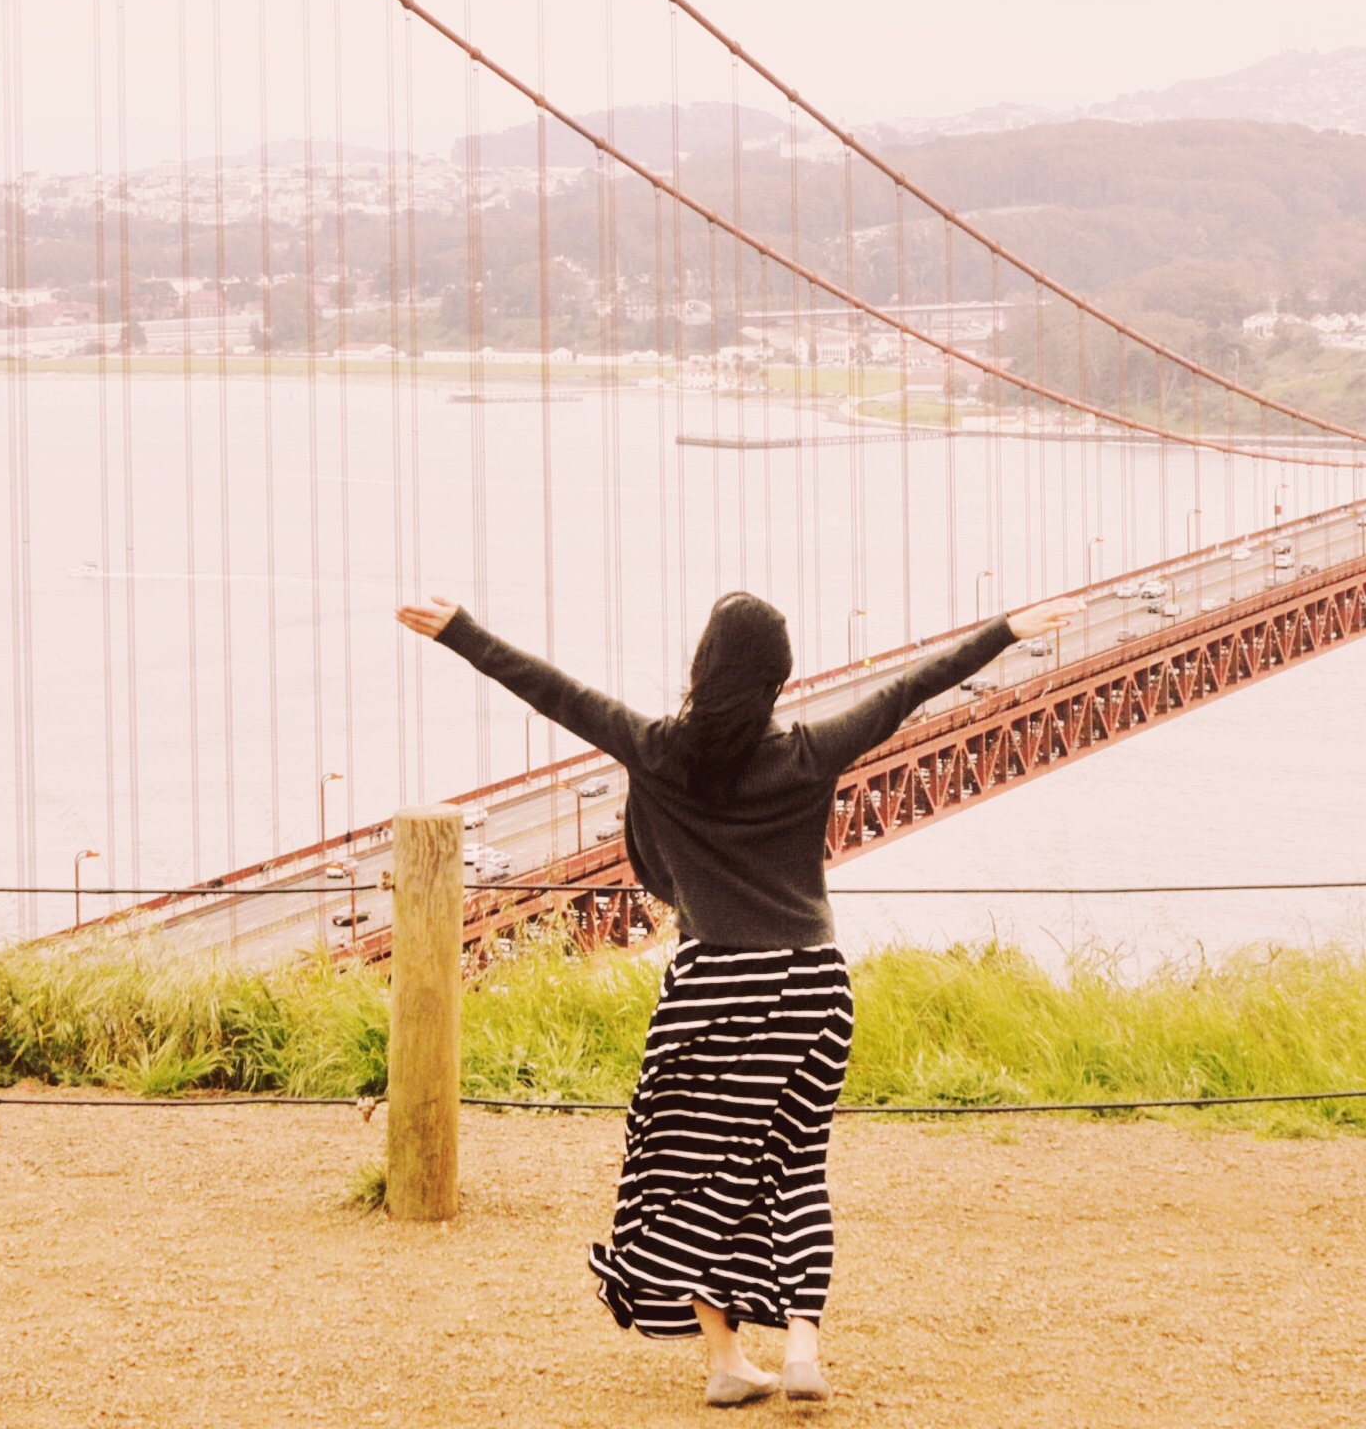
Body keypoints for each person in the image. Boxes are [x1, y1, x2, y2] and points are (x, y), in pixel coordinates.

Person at [396, 585, 1087, 1409]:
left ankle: (726, 1358)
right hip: (808, 986)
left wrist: (461, 632)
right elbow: (910, 689)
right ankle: (800, 1343)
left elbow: (550, 690)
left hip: (710, 987)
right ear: (777, 680)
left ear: (704, 668)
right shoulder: (808, 753)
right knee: (794, 1165)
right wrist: (1006, 630)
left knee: (684, 1172)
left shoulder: (654, 749)